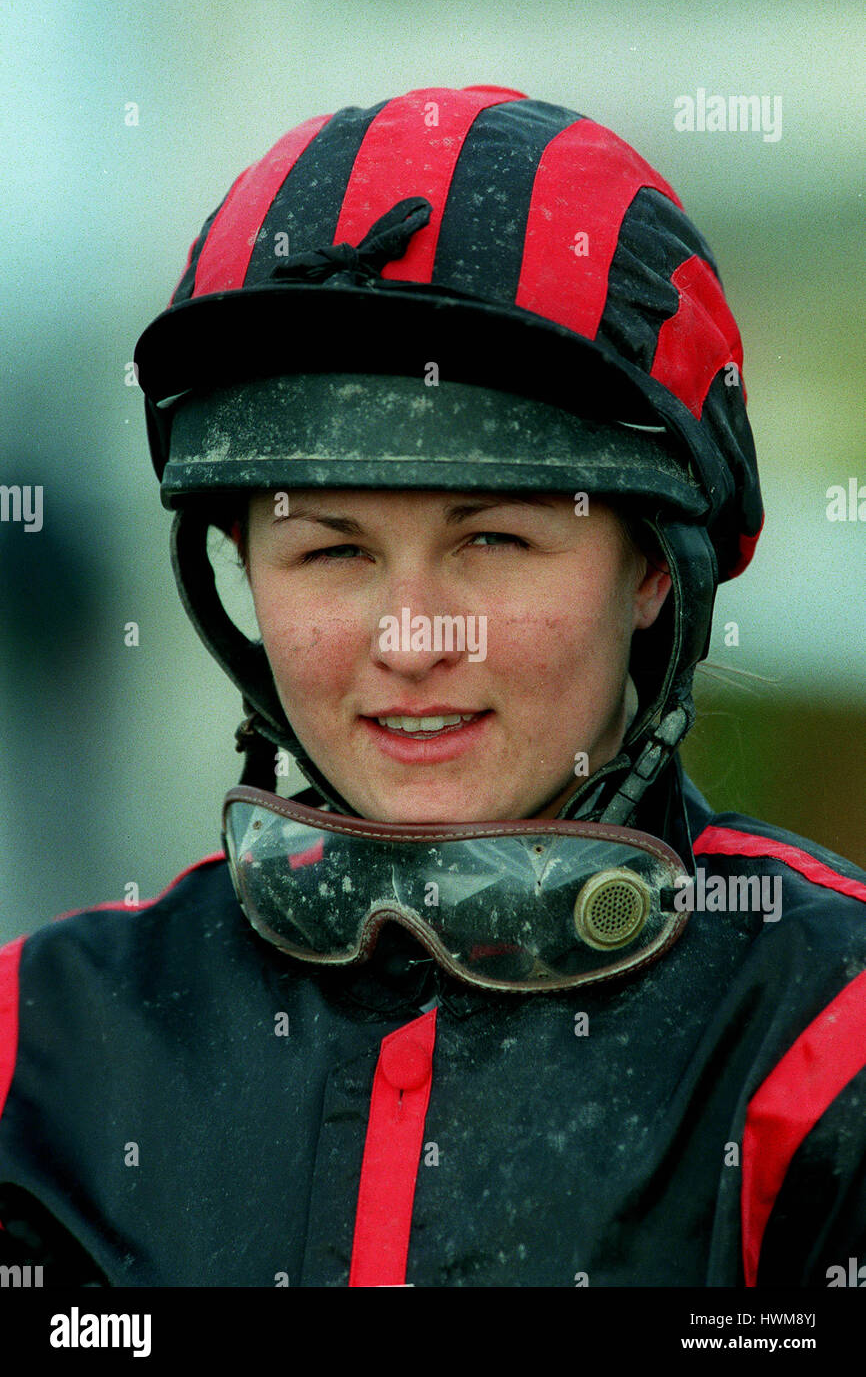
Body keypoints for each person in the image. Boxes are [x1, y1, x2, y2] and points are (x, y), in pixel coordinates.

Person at [1, 83, 865, 1289]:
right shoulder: (38, 1051)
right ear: (240, 568)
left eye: (493, 541)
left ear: (653, 575)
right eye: (333, 550)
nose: (407, 638)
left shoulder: (831, 1043)